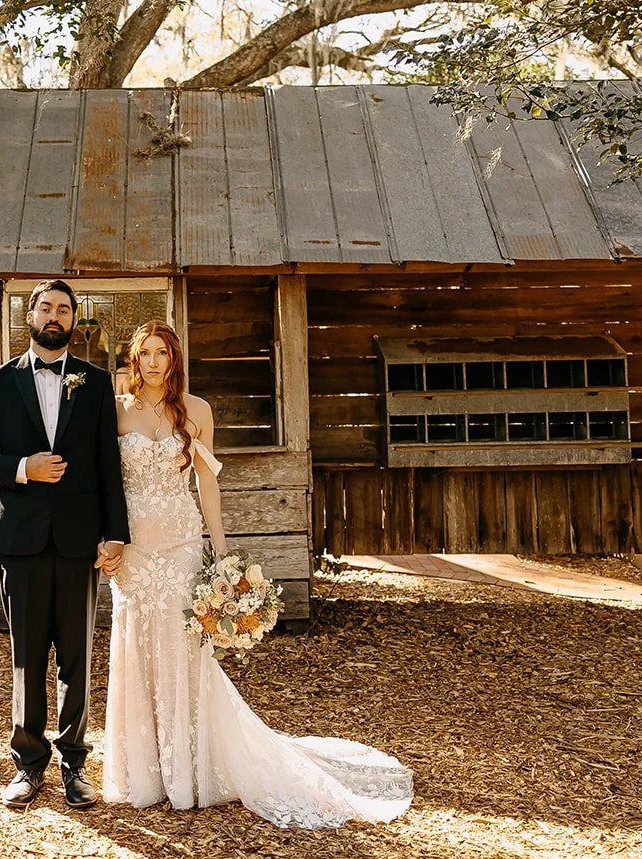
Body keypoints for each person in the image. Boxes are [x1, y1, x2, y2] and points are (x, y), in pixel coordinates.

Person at [101, 320, 414, 829]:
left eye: (162, 353)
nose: (154, 362)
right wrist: (104, 537)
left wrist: (220, 552)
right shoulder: (116, 411)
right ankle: (144, 772)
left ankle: (191, 768)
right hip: (133, 551)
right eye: (146, 354)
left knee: (184, 653)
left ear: (174, 359)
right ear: (134, 360)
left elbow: (207, 485)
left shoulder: (197, 411)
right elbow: (102, 482)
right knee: (136, 648)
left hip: (180, 545)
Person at [0, 279, 129, 810]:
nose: (55, 316)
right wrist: (22, 469)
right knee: (27, 657)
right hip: (21, 541)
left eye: (64, 309)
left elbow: (108, 466)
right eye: (46, 307)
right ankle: (28, 766)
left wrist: (116, 532)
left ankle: (75, 765)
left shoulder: (95, 382)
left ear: (74, 320)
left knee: (77, 657)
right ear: (29, 316)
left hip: (80, 542)